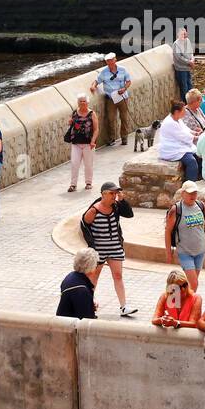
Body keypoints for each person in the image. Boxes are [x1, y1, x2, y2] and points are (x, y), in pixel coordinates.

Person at [82, 181, 138, 317]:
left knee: (118, 276)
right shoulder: (94, 210)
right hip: (99, 249)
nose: (114, 196)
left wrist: (122, 200)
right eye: (112, 193)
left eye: (116, 193)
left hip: (115, 247)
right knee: (94, 277)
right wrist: (92, 247)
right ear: (103, 194)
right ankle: (89, 304)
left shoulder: (117, 207)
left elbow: (130, 214)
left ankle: (123, 307)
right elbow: (84, 226)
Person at [164, 182, 205, 292]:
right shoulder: (176, 210)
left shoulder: (201, 206)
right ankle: (187, 306)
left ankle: (180, 300)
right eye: (190, 193)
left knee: (191, 285)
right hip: (185, 252)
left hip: (200, 252)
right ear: (183, 194)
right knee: (194, 283)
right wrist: (168, 252)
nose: (193, 196)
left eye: (195, 193)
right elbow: (168, 231)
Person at [90, 52, 132, 145]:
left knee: (124, 118)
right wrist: (93, 86)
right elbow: (96, 80)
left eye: (111, 61)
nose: (109, 63)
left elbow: (128, 81)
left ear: (115, 60)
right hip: (111, 98)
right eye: (108, 62)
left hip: (122, 97)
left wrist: (124, 88)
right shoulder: (104, 72)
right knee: (110, 119)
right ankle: (111, 138)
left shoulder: (123, 69)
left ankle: (124, 138)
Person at [157, 100, 201, 181]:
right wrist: (197, 137)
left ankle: (198, 178)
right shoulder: (170, 122)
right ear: (177, 112)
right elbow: (183, 136)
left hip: (179, 146)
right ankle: (190, 183)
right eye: (183, 110)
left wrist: (195, 132)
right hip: (171, 150)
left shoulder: (177, 119)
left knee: (199, 156)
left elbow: (186, 130)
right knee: (192, 162)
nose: (185, 112)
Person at [65, 93, 99, 193]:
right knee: (74, 163)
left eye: (84, 101)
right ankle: (73, 185)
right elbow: (72, 124)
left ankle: (88, 182)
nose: (82, 103)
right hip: (76, 142)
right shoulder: (75, 112)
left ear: (87, 102)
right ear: (78, 103)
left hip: (88, 143)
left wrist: (93, 141)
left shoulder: (92, 113)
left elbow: (96, 129)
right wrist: (70, 122)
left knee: (88, 164)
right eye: (80, 101)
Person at [56, 247, 99, 318]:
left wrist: (90, 303)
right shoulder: (81, 290)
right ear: (91, 269)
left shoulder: (70, 277)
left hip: (62, 320)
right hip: (69, 325)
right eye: (95, 265)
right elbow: (85, 319)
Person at [171, 27, 195, 97]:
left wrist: (192, 59)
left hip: (188, 67)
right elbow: (178, 58)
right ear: (178, 35)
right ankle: (185, 104)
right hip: (181, 69)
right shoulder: (176, 44)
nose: (184, 35)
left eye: (185, 34)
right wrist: (189, 62)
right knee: (184, 87)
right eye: (182, 34)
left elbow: (191, 52)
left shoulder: (187, 40)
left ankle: (192, 101)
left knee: (190, 85)